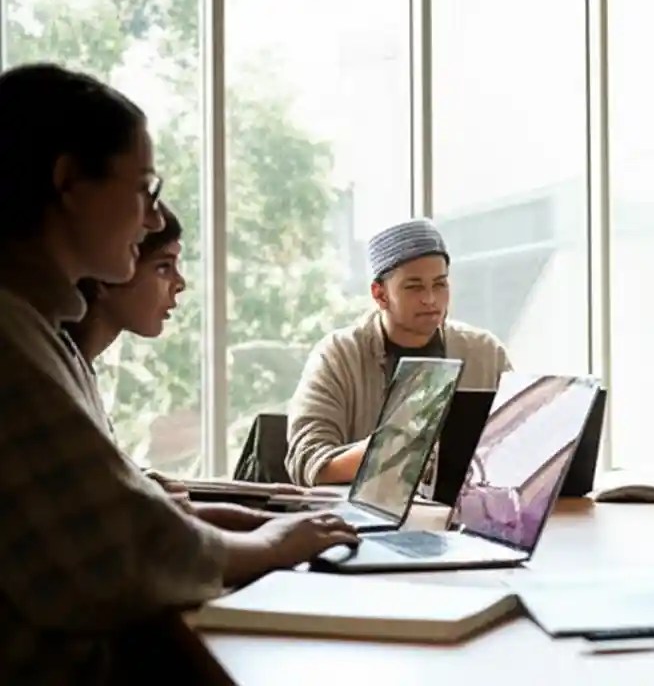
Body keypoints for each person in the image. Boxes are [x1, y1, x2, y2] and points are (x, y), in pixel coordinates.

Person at [0, 62, 357, 682]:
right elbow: (120, 554)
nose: (154, 218)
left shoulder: (35, 327)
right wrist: (272, 547)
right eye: (143, 187)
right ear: (69, 182)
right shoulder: (10, 335)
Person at [65, 202, 306, 530]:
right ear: (107, 275)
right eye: (164, 267)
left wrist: (262, 496)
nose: (180, 283)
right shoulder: (57, 375)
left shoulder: (79, 366)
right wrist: (275, 536)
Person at [285, 217, 513, 486]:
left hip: (463, 514)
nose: (430, 299)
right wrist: (398, 448)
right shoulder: (337, 356)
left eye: (440, 284)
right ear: (380, 294)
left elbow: (518, 445)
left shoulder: (485, 353)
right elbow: (310, 462)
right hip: (359, 519)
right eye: (414, 287)